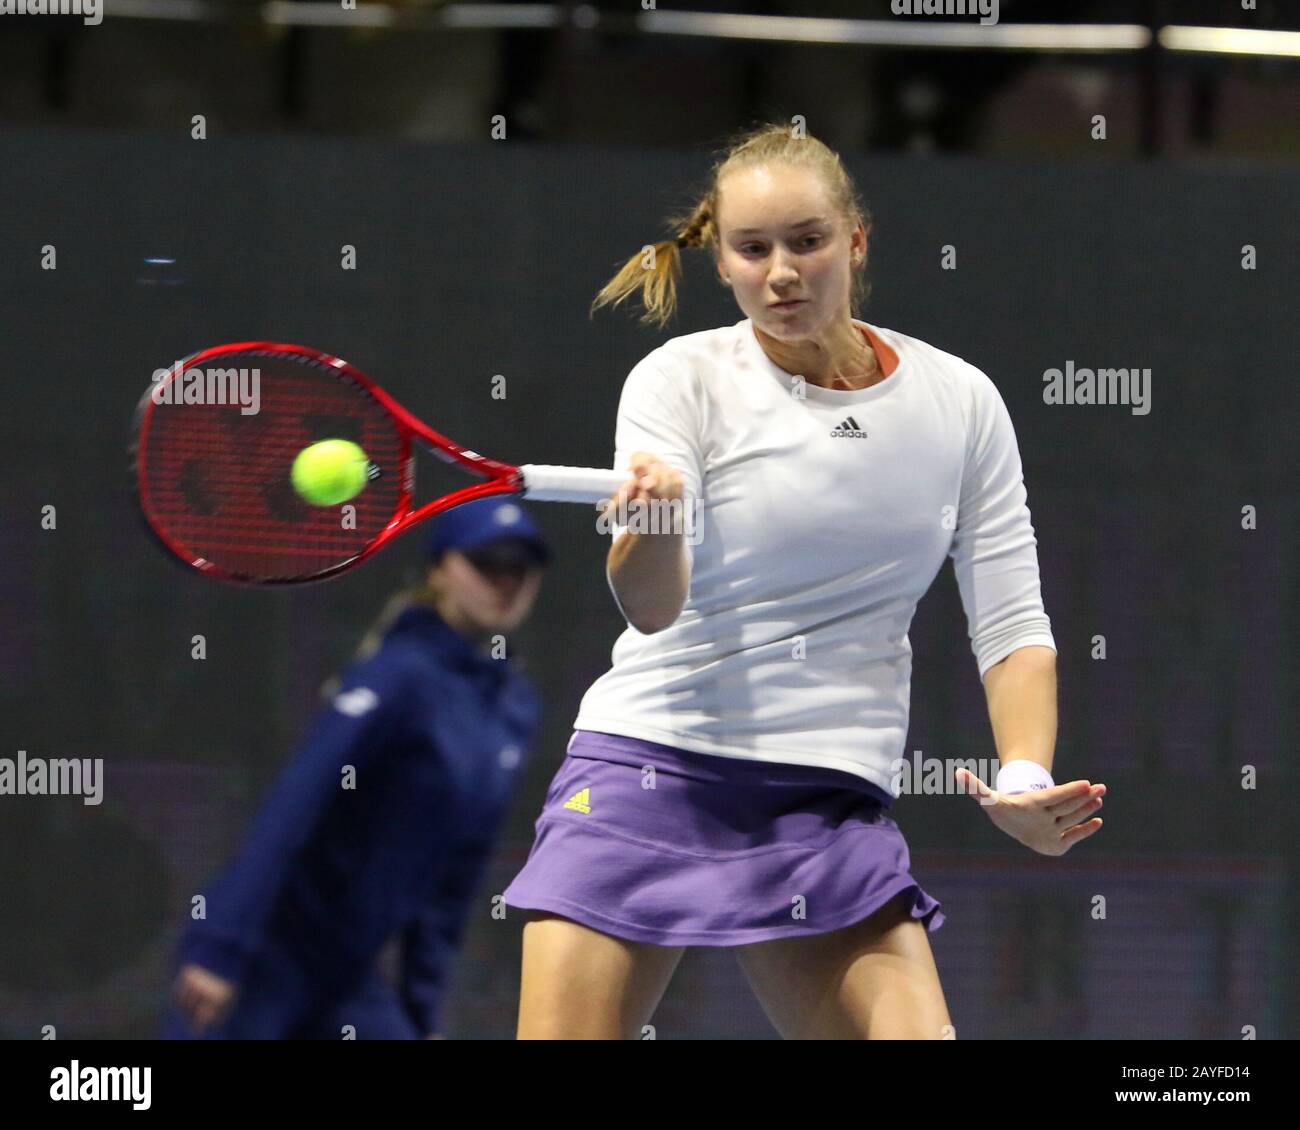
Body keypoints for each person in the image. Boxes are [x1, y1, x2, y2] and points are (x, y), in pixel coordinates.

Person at [503, 121, 1106, 1040]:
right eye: (753, 250)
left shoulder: (961, 401)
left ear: (855, 241)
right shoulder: (678, 380)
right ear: (725, 264)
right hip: (650, 766)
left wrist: (1025, 771)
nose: (781, 272)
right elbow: (652, 608)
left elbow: (1013, 620)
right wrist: (655, 522)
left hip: (822, 797)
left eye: (807, 241)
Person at [162, 497, 549, 1039]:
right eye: (486, 563)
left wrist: (421, 1011)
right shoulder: (397, 674)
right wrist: (222, 945)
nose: (506, 581)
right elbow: (294, 805)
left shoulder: (513, 710)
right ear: (439, 571)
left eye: (521, 567)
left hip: (349, 980)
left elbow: (455, 876)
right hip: (262, 955)